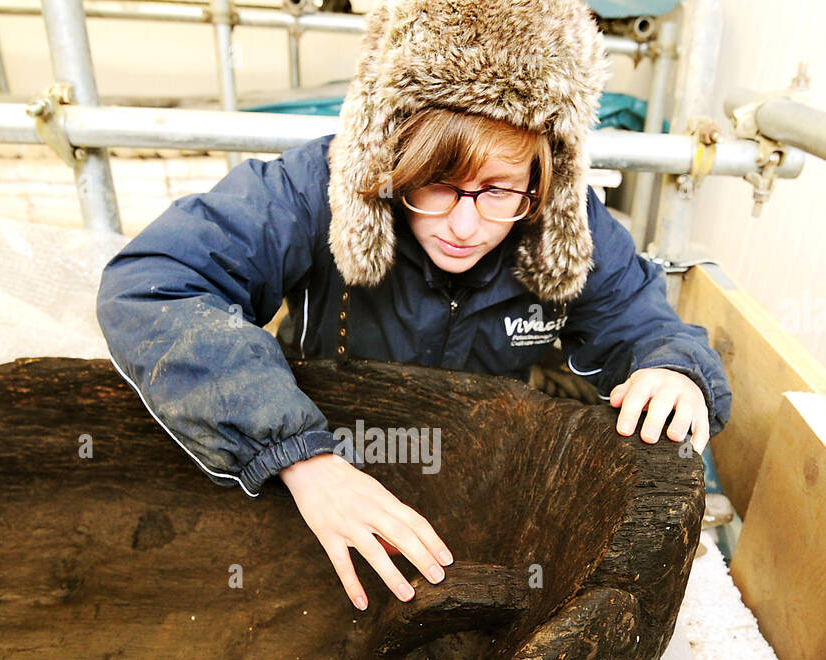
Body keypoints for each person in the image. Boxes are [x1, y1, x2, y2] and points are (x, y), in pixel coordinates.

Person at [95, 0, 731, 613]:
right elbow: (155, 283)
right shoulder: (313, 189)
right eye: (438, 185)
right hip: (322, 454)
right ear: (392, 155)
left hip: (476, 467)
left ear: (543, 182)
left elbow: (645, 323)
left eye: (498, 191)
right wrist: (296, 456)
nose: (465, 224)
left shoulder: (567, 223)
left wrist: (673, 368)